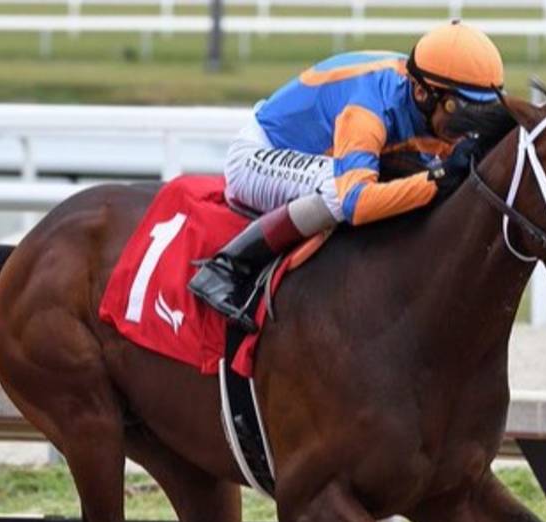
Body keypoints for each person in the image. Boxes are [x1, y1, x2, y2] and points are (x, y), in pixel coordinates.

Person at [188, 20, 504, 331]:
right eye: (461, 110)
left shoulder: (424, 93)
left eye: (482, 111)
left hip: (315, 154)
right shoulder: (368, 109)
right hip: (257, 158)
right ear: (424, 93)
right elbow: (356, 202)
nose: (470, 126)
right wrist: (437, 178)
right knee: (339, 190)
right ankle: (228, 265)